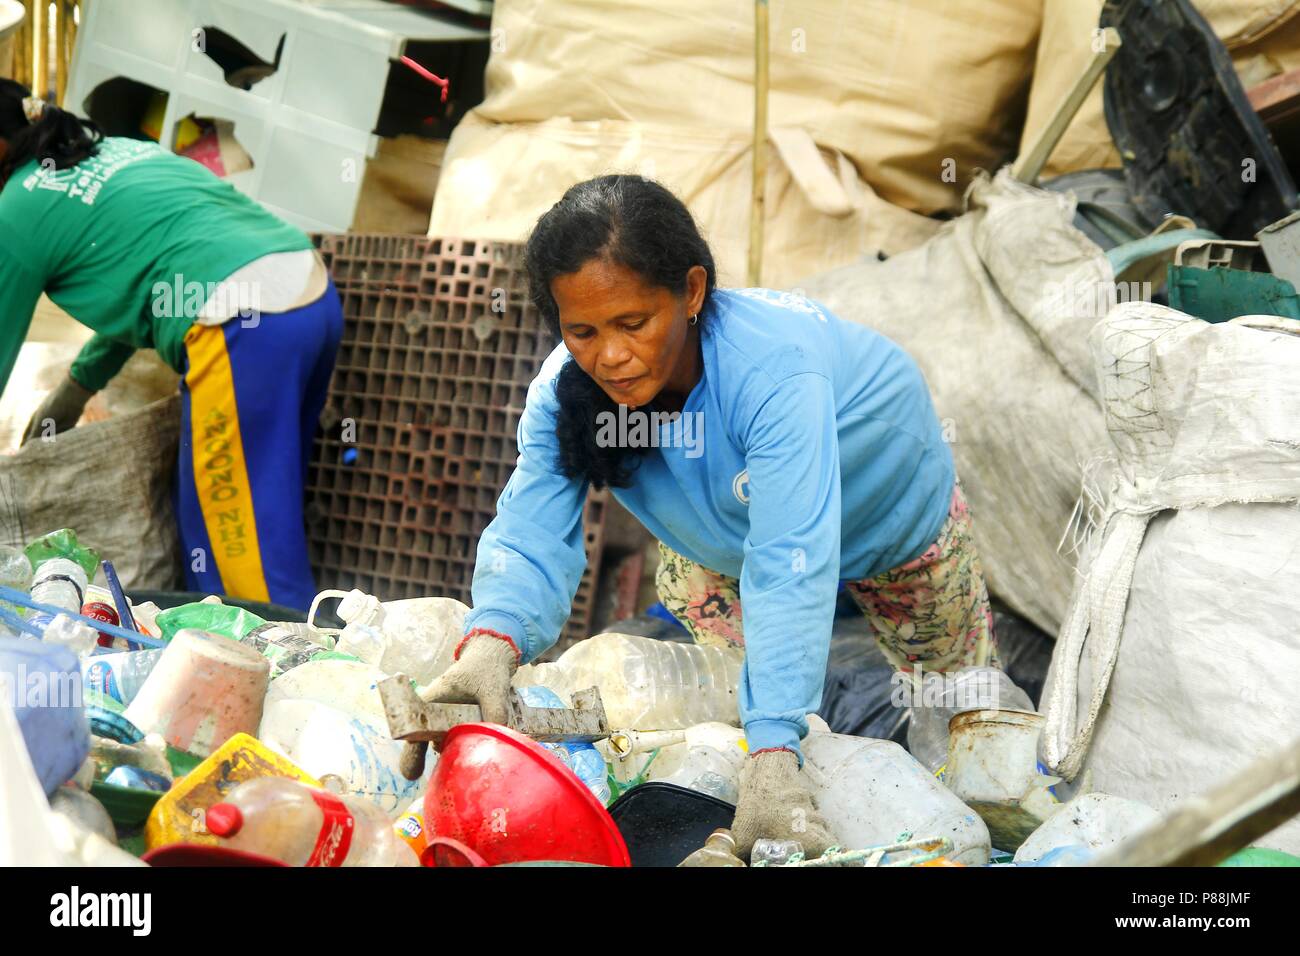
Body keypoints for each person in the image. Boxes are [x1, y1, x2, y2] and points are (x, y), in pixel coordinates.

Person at [423, 174, 1001, 860]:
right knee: (757, 713)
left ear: (691, 292)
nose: (609, 354)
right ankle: (788, 760)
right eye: (582, 330)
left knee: (958, 708)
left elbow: (790, 562)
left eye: (633, 323)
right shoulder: (564, 390)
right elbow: (531, 523)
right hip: (726, 542)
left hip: (891, 515)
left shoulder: (773, 372)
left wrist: (774, 748)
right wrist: (492, 643)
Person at [0, 81, 341, 611]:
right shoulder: (118, 152)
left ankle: (285, 671)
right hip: (307, 292)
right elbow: (142, 279)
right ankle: (230, 662)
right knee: (222, 516)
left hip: (242, 323)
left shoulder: (17, 210)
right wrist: (76, 387)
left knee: (242, 545)